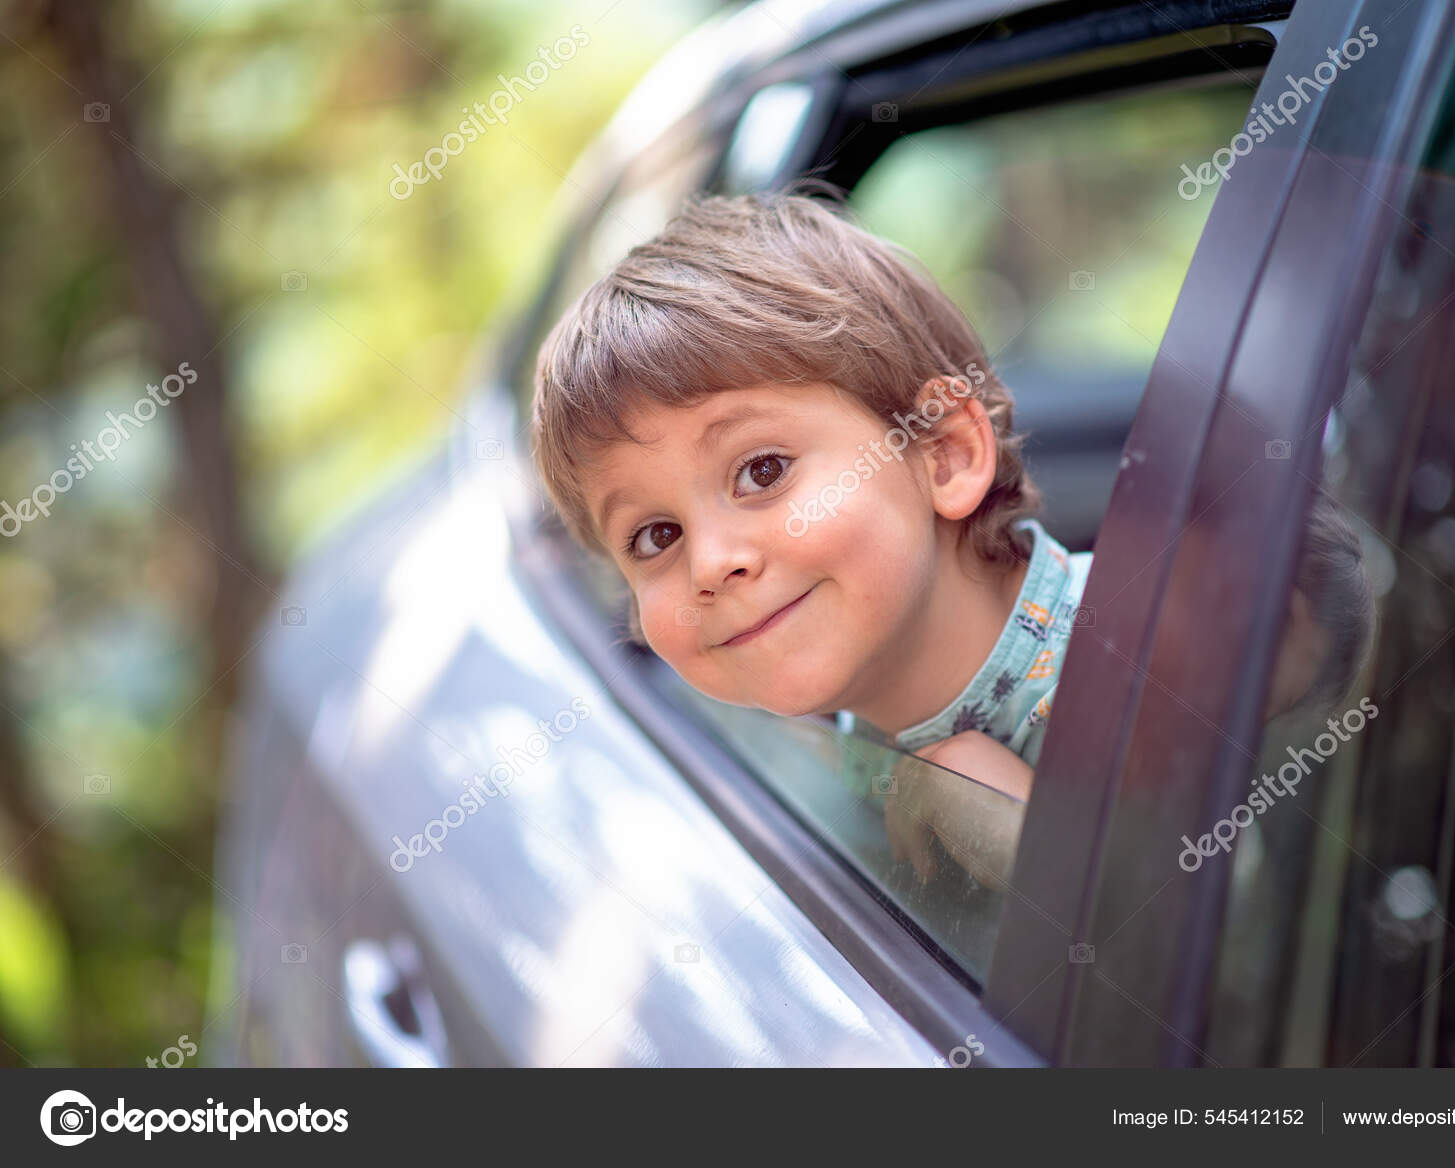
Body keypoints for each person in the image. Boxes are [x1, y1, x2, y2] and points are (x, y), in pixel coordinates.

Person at [529, 187, 1373, 885]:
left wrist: (1018, 833)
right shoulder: (815, 746)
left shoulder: (1149, 649)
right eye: (654, 536)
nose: (712, 562)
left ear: (943, 452)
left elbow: (1245, 927)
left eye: (762, 471)